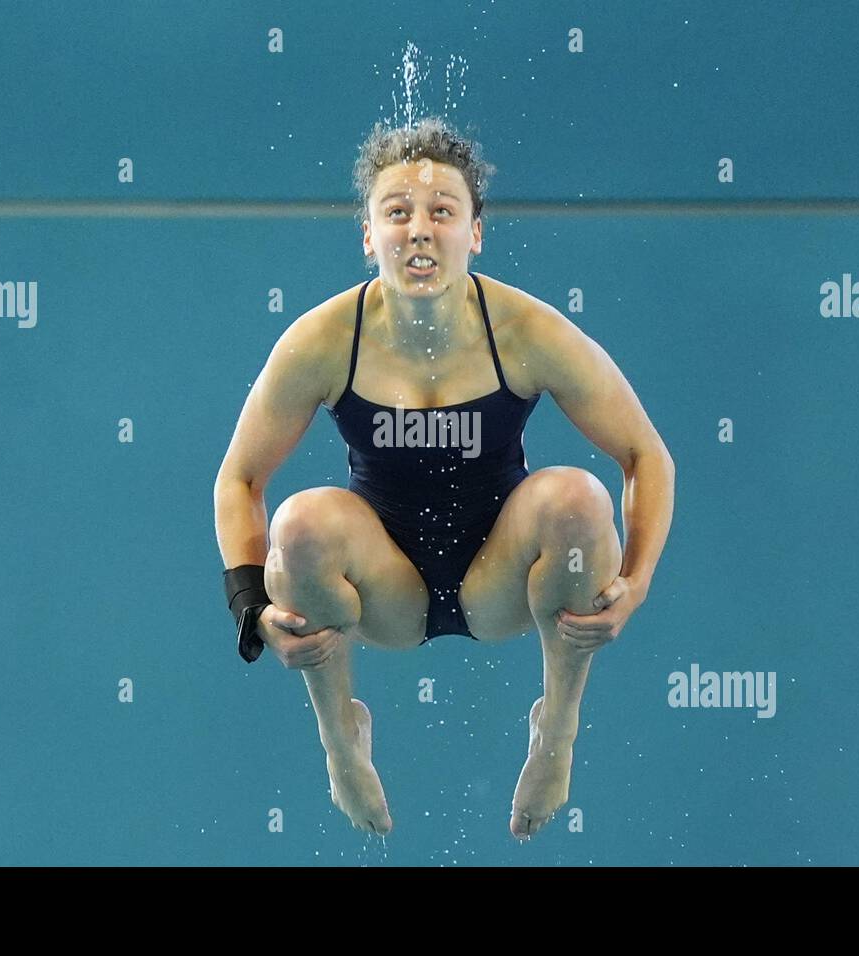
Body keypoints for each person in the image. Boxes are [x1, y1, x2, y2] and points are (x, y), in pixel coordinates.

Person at [214, 117, 675, 841]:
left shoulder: (526, 331)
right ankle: (341, 740)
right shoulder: (323, 340)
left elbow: (647, 457)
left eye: (441, 212)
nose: (419, 230)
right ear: (368, 235)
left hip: (500, 582)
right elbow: (239, 479)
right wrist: (249, 607)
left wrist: (638, 583)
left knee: (577, 500)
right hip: (383, 592)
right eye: (397, 212)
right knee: (298, 525)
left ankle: (556, 728)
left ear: (475, 232)